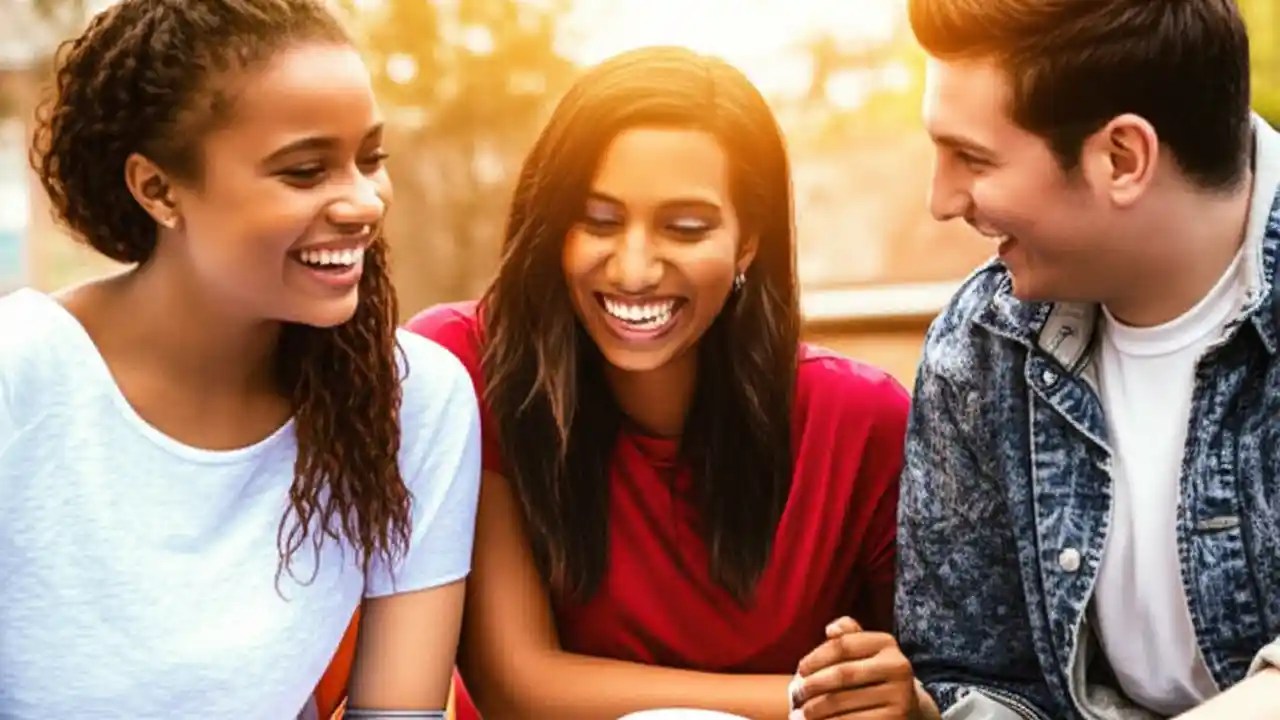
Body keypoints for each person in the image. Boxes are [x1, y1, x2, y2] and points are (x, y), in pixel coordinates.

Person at [406, 46, 929, 720]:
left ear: (747, 242)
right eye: (598, 220)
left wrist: (899, 697)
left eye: (685, 228)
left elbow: (938, 681)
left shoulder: (861, 422)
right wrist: (808, 703)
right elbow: (519, 684)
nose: (633, 268)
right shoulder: (465, 366)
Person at [0, 1, 480, 718]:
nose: (362, 202)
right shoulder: (21, 376)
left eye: (370, 159)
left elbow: (399, 711)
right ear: (158, 189)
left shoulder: (415, 398)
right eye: (305, 170)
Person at [892, 0, 1280, 718]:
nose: (941, 200)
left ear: (1122, 158)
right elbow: (974, 672)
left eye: (971, 158)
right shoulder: (980, 348)